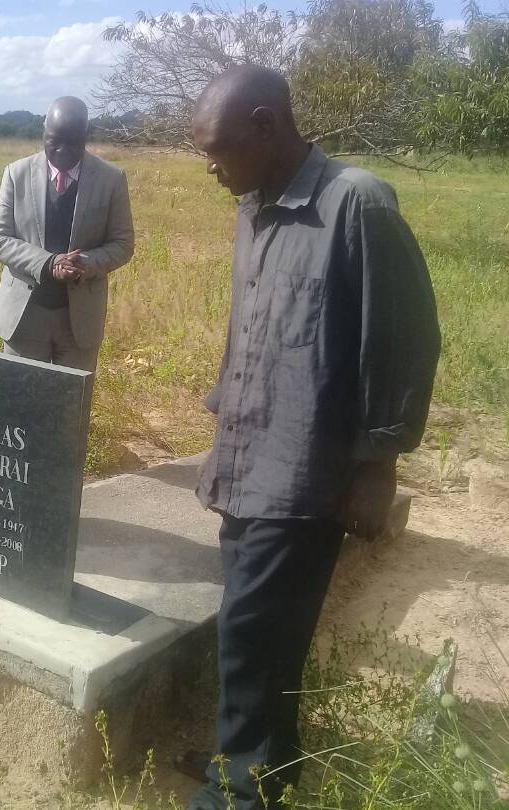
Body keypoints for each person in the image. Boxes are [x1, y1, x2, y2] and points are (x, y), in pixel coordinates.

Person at [183, 65, 440, 809]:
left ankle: (234, 792)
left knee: (252, 638)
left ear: (266, 126)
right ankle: (269, 766)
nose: (210, 166)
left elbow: (404, 340)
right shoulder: (254, 202)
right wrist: (224, 401)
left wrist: (378, 465)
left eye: (220, 149)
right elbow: (251, 324)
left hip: (303, 467)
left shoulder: (355, 202)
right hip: (246, 452)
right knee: (265, 633)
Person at [0, 96, 134, 373]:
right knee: (19, 405)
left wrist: (85, 264)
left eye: (73, 141)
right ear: (43, 131)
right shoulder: (16, 174)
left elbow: (123, 244)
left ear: (87, 136)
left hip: (79, 321)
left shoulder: (111, 179)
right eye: (54, 140)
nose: (63, 150)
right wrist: (49, 263)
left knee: (71, 409)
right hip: (25, 318)